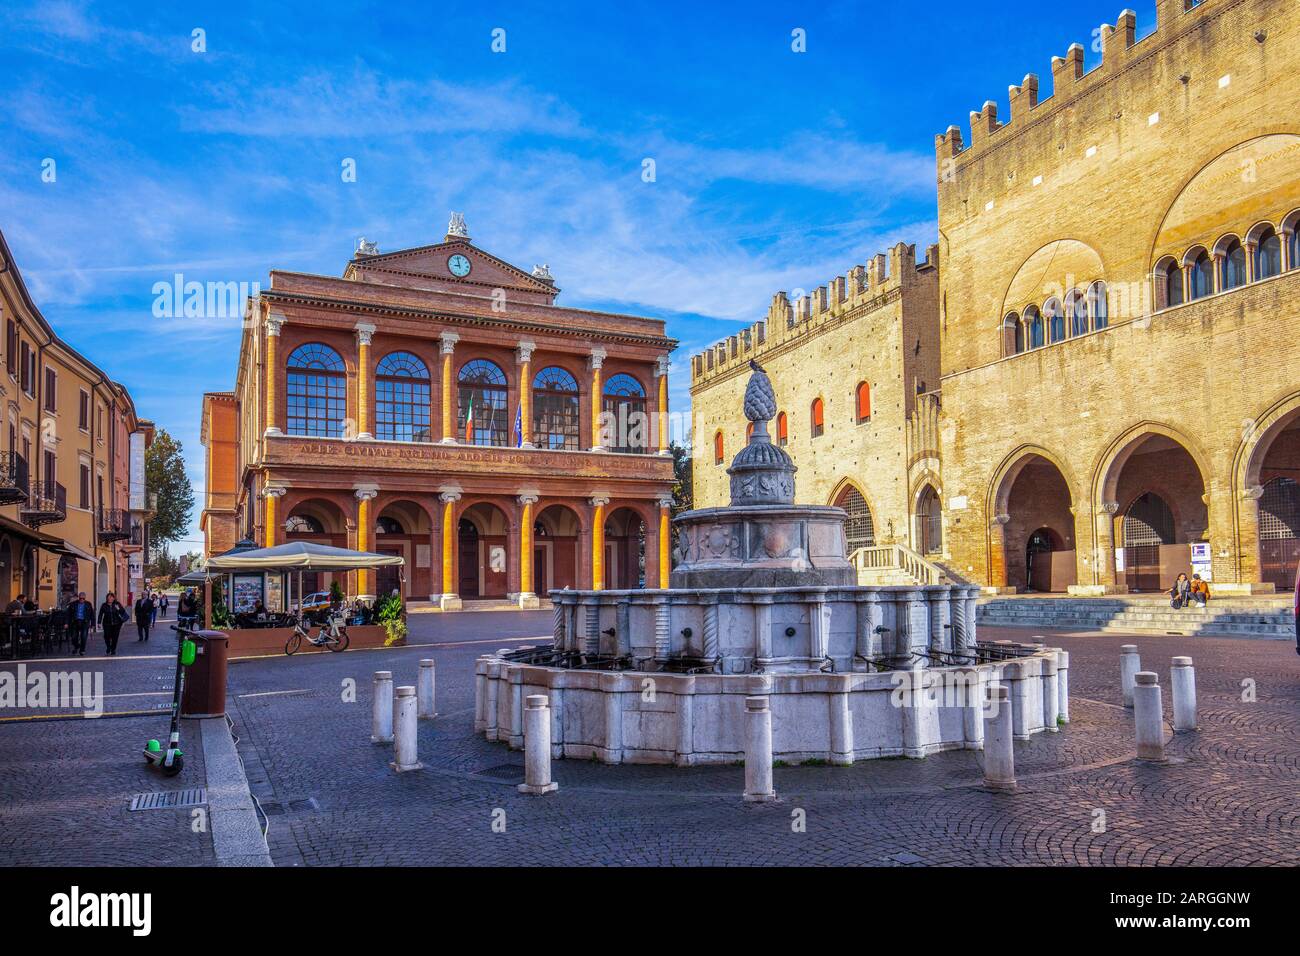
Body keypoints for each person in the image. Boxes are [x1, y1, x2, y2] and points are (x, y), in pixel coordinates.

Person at [67, 591, 95, 656]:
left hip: (84, 622)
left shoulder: (88, 604)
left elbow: (92, 614)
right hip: (75, 622)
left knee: (84, 636)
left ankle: (82, 650)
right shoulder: (73, 604)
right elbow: (68, 614)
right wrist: (66, 623)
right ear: (78, 598)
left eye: (83, 598)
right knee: (73, 637)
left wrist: (93, 624)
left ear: (85, 598)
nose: (82, 600)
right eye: (80, 598)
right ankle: (76, 646)